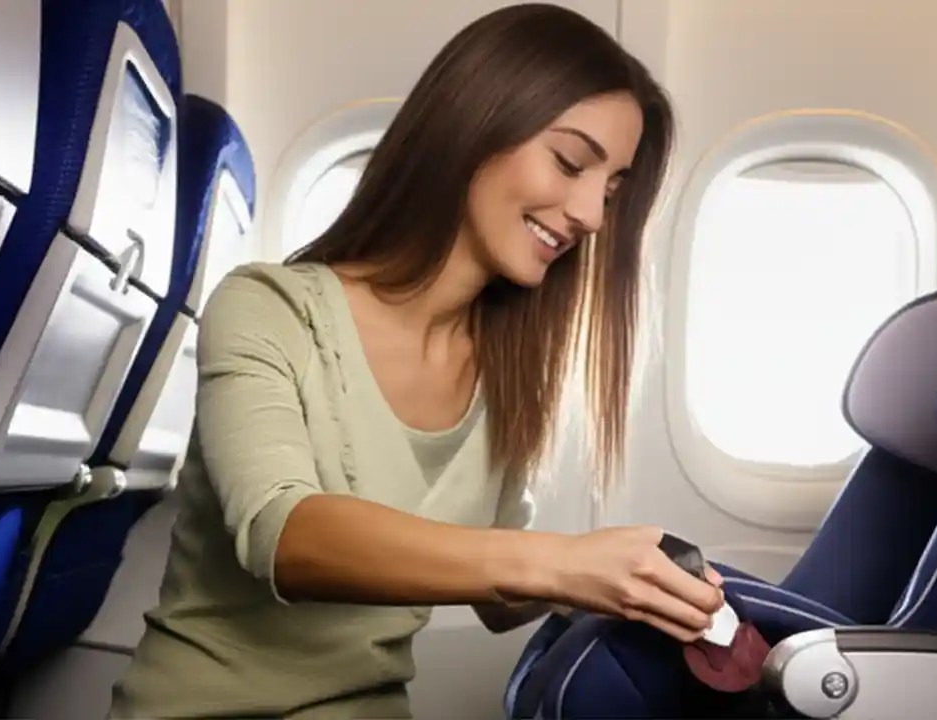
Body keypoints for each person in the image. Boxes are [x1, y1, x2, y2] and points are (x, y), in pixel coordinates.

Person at [111, 4, 724, 718]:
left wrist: (630, 579)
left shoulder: (507, 373)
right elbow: (284, 534)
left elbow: (497, 589)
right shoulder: (270, 307)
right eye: (570, 162)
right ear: (473, 123)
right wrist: (562, 561)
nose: (590, 213)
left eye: (611, 193)